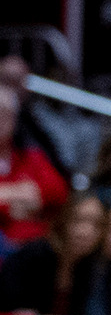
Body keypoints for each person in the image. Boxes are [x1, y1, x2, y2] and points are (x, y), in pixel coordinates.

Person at [0, 194, 106, 315]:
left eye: (97, 225)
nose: (86, 232)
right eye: (78, 220)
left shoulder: (92, 268)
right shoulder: (32, 257)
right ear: (63, 220)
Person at [0, 84, 68, 249]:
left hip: (32, 251)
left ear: (16, 119)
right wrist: (23, 194)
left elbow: (59, 192)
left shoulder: (31, 157)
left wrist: (5, 194)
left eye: (5, 115)